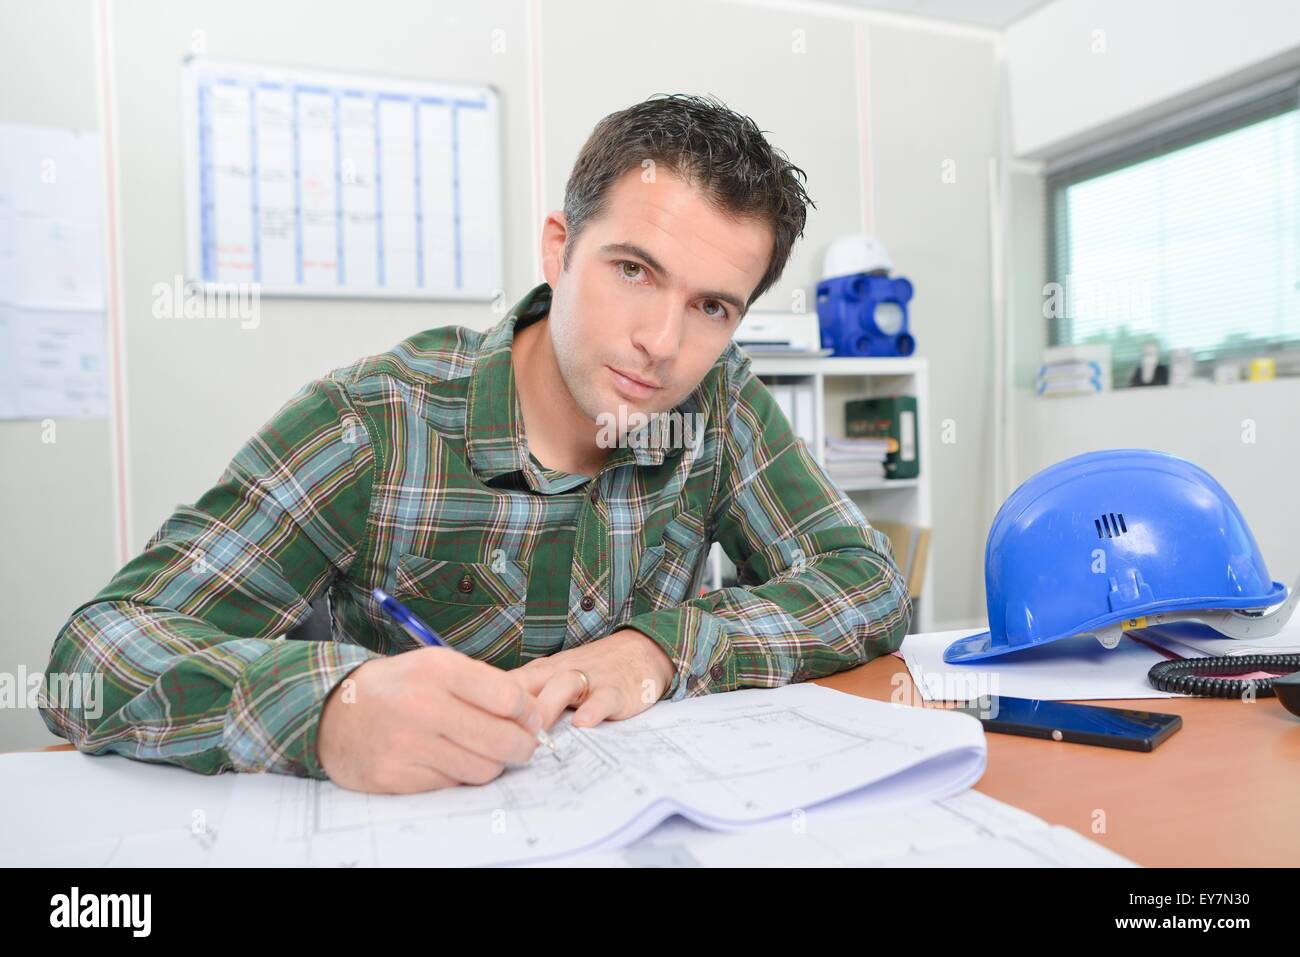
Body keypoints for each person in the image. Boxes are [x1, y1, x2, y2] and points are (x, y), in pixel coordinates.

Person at [39, 93, 912, 794]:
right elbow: (95, 653)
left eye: (711, 306)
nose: (662, 341)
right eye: (633, 270)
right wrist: (328, 708)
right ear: (559, 250)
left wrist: (662, 646)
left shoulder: (718, 403)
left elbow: (867, 584)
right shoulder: (374, 419)